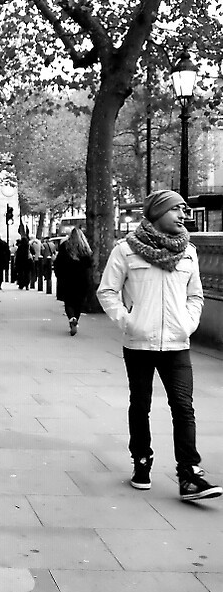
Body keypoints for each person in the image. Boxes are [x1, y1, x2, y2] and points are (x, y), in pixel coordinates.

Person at [97, 190, 221, 502]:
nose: (183, 215)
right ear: (158, 213)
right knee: (141, 405)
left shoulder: (189, 252)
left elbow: (196, 295)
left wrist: (188, 322)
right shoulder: (126, 251)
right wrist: (128, 321)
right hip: (139, 342)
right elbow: (107, 291)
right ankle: (142, 463)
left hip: (178, 343)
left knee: (183, 407)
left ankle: (189, 474)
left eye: (184, 210)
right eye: (177, 210)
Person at [53, 228, 93, 335]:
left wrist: (59, 275)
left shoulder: (65, 246)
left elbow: (58, 263)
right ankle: (76, 319)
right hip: (82, 279)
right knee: (78, 302)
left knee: (69, 301)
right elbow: (90, 264)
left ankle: (72, 318)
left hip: (68, 278)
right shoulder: (85, 248)